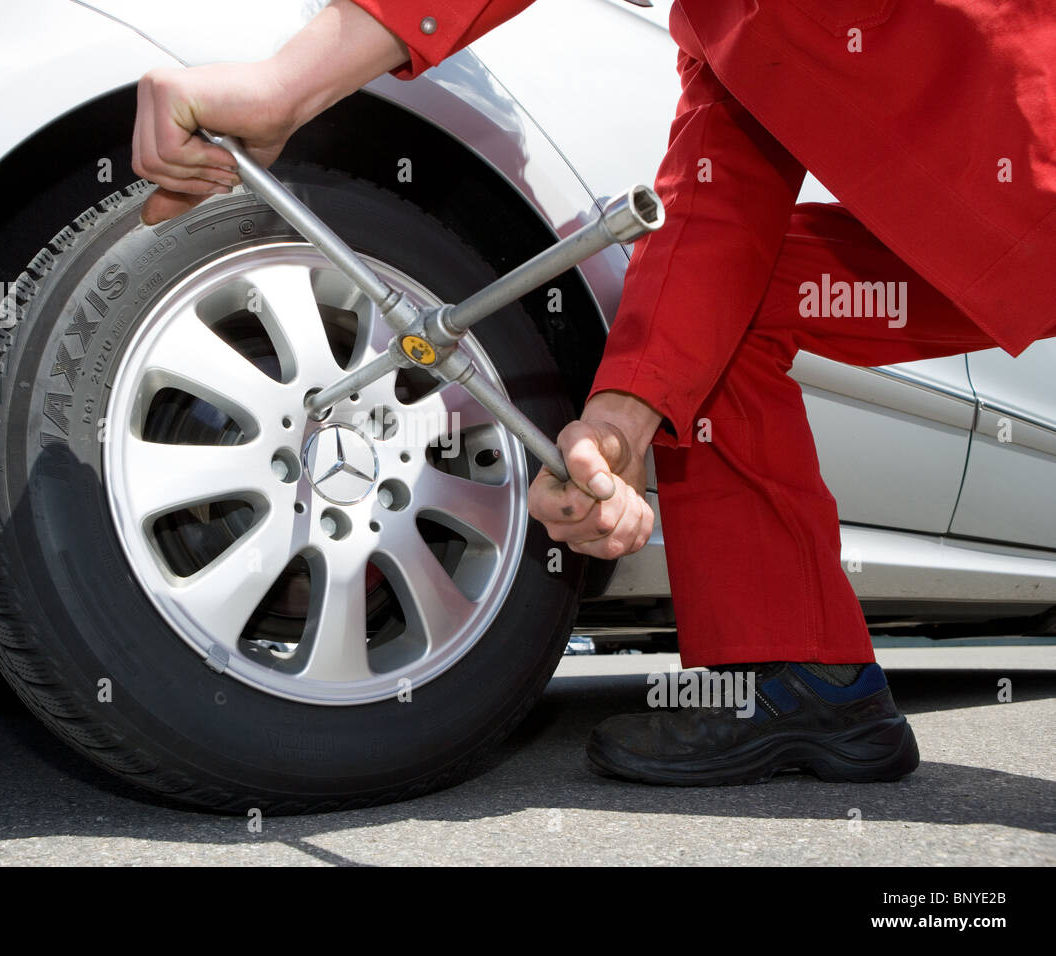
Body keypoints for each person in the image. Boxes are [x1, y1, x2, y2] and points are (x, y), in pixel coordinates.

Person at [131, 0, 1056, 785]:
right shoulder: (726, 27)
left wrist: (290, 83)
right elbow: (713, 218)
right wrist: (617, 425)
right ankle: (800, 675)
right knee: (736, 300)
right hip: (1005, 230)